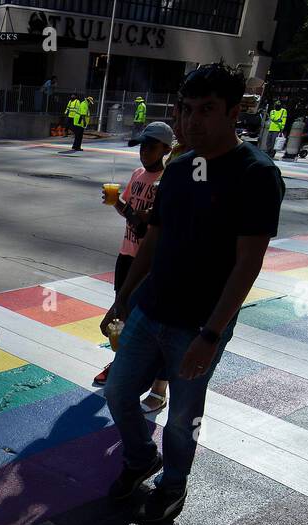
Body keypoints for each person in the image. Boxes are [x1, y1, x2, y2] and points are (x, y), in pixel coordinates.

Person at [103, 62, 285, 523]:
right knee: (118, 392)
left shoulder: (256, 174)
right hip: (151, 309)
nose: (192, 121)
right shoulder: (180, 167)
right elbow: (155, 237)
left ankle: (172, 484)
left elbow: (248, 264)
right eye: (186, 109)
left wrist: (211, 334)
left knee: (182, 417)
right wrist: (124, 296)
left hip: (199, 324)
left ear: (233, 112)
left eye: (206, 109)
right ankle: (141, 459)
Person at [93, 120, 175, 419]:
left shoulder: (168, 179)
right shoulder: (138, 175)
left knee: (149, 321)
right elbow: (130, 213)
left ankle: (158, 385)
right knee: (122, 312)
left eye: (151, 147)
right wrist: (116, 202)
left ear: (166, 149)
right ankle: (121, 362)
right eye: (142, 146)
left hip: (150, 261)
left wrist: (131, 212)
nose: (144, 152)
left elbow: (146, 224)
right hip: (127, 254)